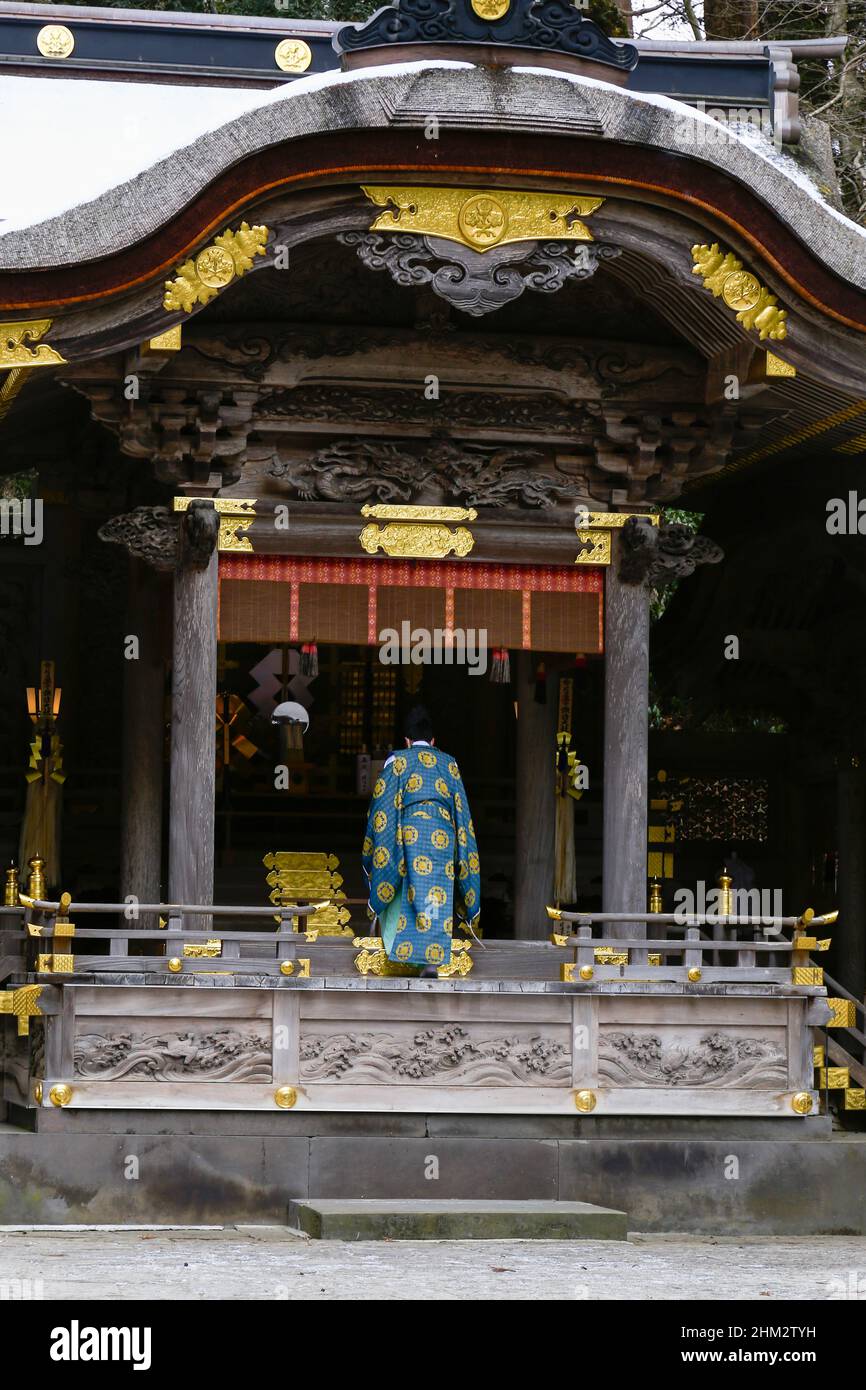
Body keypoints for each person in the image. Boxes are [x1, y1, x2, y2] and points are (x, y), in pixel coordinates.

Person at [362, 706, 481, 976]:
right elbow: (462, 812)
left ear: (405, 740)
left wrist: (383, 844)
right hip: (443, 838)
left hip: (406, 836)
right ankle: (431, 961)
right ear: (433, 741)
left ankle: (400, 953)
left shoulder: (397, 762)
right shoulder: (450, 763)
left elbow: (383, 810)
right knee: (435, 896)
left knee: (398, 885)